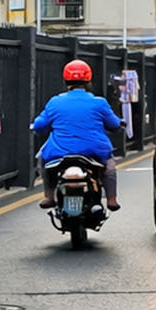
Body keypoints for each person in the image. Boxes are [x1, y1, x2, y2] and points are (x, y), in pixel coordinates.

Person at [30, 60, 124, 212]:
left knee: (43, 159)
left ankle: (48, 196)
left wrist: (35, 126)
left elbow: (40, 125)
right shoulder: (99, 103)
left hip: (58, 151)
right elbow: (114, 124)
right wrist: (120, 124)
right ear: (88, 81)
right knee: (109, 166)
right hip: (94, 151)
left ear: (66, 80)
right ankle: (112, 200)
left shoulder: (55, 102)